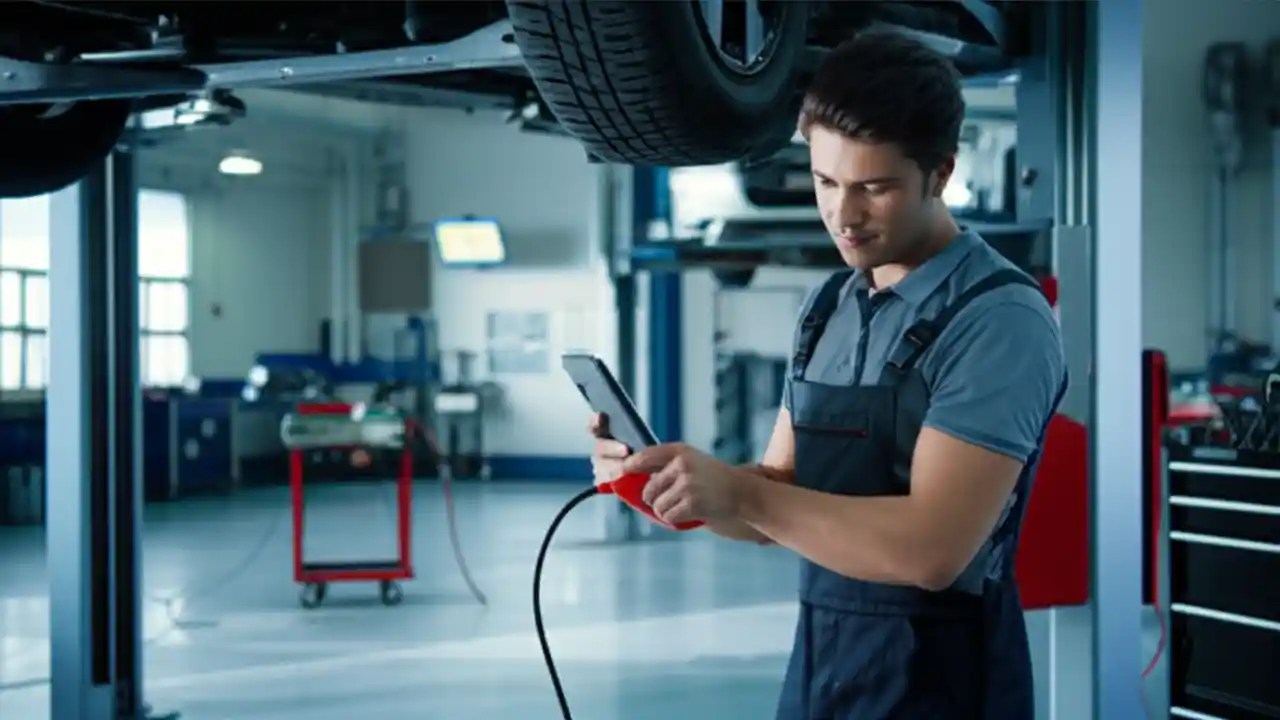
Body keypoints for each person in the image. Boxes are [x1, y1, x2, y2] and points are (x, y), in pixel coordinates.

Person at [588, 31, 1067, 720]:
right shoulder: (829, 307)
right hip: (822, 676)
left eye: (874, 188)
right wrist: (660, 479)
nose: (844, 215)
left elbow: (933, 548)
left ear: (940, 172)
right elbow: (778, 503)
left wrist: (741, 496)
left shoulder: (999, 321)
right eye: (826, 182)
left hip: (944, 688)